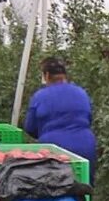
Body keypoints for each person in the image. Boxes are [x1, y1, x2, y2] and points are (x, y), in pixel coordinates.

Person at [23, 57, 97, 185]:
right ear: (64, 75)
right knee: (84, 186)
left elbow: (30, 127)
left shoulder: (40, 96)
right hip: (85, 145)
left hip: (54, 148)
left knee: (54, 189)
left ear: (46, 75)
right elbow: (89, 118)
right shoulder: (81, 93)